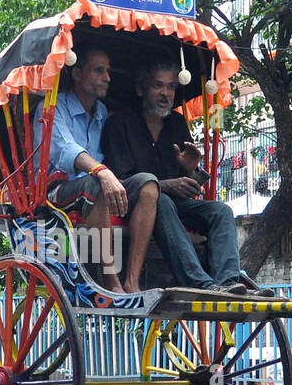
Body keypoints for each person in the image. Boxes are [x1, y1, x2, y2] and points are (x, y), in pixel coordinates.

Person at [101, 60, 246, 294]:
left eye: (170, 87)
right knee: (162, 200)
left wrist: (190, 169)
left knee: (221, 211)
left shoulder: (177, 124)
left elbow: (187, 181)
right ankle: (200, 283)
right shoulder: (120, 124)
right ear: (141, 89)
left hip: (175, 205)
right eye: (158, 86)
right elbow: (120, 178)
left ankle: (228, 283)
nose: (165, 93)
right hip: (133, 203)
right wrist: (167, 185)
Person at [33, 46, 159, 294]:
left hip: (96, 185)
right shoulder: (53, 107)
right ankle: (111, 281)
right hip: (56, 191)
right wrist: (102, 172)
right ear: (78, 73)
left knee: (147, 185)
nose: (107, 78)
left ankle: (131, 280)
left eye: (108, 71)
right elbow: (65, 149)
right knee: (99, 183)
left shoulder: (101, 113)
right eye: (99, 71)